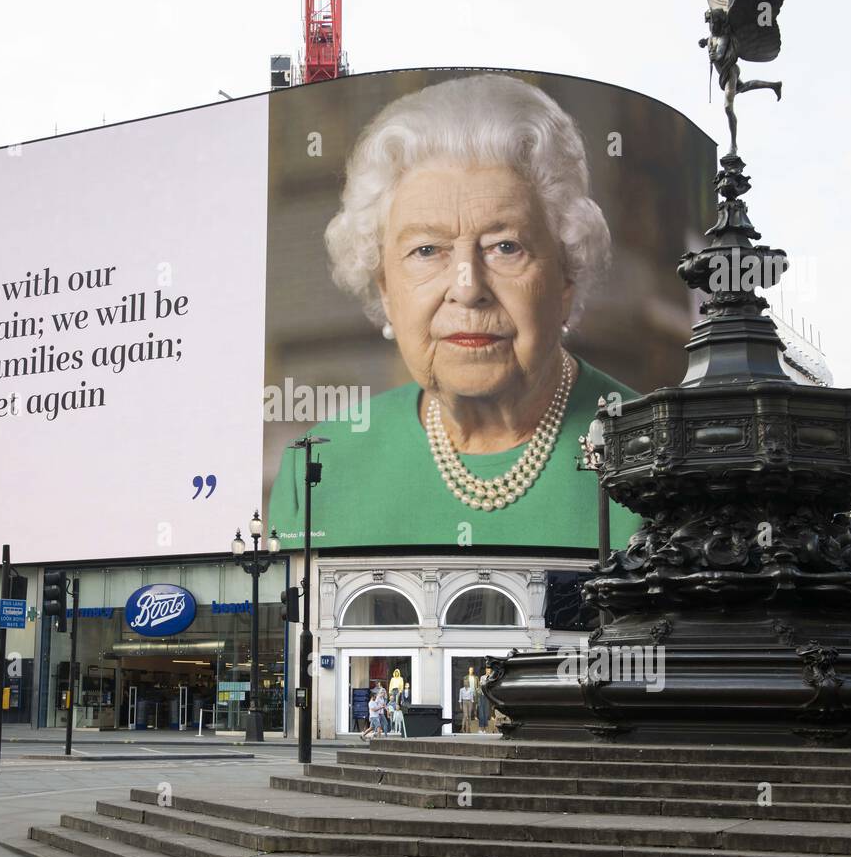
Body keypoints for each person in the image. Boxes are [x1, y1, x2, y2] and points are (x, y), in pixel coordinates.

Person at [270, 73, 638, 548]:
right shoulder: (317, 467)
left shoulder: (660, 457)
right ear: (385, 288)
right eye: (427, 251)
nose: (468, 290)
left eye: (505, 247)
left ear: (566, 275)